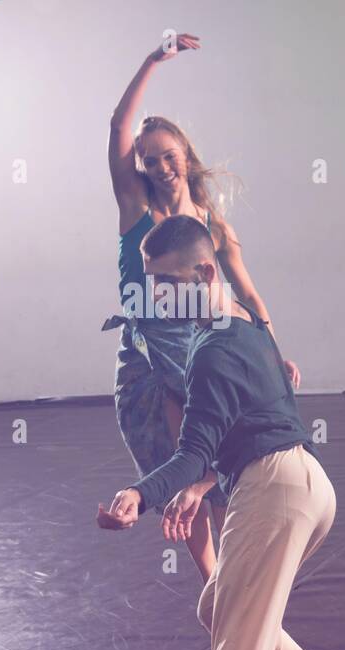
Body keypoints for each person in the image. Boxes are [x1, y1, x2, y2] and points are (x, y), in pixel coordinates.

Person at [96, 215, 345, 650]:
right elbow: (260, 421)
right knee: (221, 609)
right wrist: (204, 485)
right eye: (151, 284)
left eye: (166, 282)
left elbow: (189, 452)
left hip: (273, 496)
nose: (156, 296)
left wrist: (138, 491)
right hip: (309, 485)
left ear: (205, 272)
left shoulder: (210, 348)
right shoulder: (250, 328)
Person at [103, 30, 298, 582]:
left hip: (204, 339)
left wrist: (271, 356)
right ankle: (214, 580)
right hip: (151, 346)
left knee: (210, 460)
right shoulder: (134, 205)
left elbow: (249, 295)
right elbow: (119, 127)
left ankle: (229, 567)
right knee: (181, 454)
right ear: (141, 167)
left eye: (169, 156)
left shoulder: (214, 225)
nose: (162, 166)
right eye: (150, 160)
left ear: (185, 156)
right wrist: (151, 61)